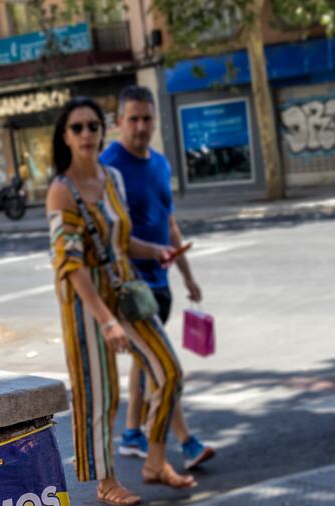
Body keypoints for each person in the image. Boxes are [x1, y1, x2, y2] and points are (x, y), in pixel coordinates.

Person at [47, 97, 196, 506]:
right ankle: (106, 480)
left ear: (102, 131)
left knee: (169, 371)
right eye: (77, 128)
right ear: (65, 136)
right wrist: (106, 321)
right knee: (99, 392)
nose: (86, 134)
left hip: (125, 286)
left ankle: (155, 461)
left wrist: (157, 251)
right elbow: (71, 264)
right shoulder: (62, 192)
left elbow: (121, 240)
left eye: (93, 126)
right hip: (86, 299)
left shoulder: (112, 178)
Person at [101, 86, 216, 473]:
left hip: (160, 282)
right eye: (132, 119)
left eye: (146, 119)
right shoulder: (108, 166)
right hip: (129, 288)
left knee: (146, 362)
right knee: (162, 367)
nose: (140, 127)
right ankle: (186, 442)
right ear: (118, 122)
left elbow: (168, 223)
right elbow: (108, 237)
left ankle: (132, 432)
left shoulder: (161, 165)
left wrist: (188, 276)